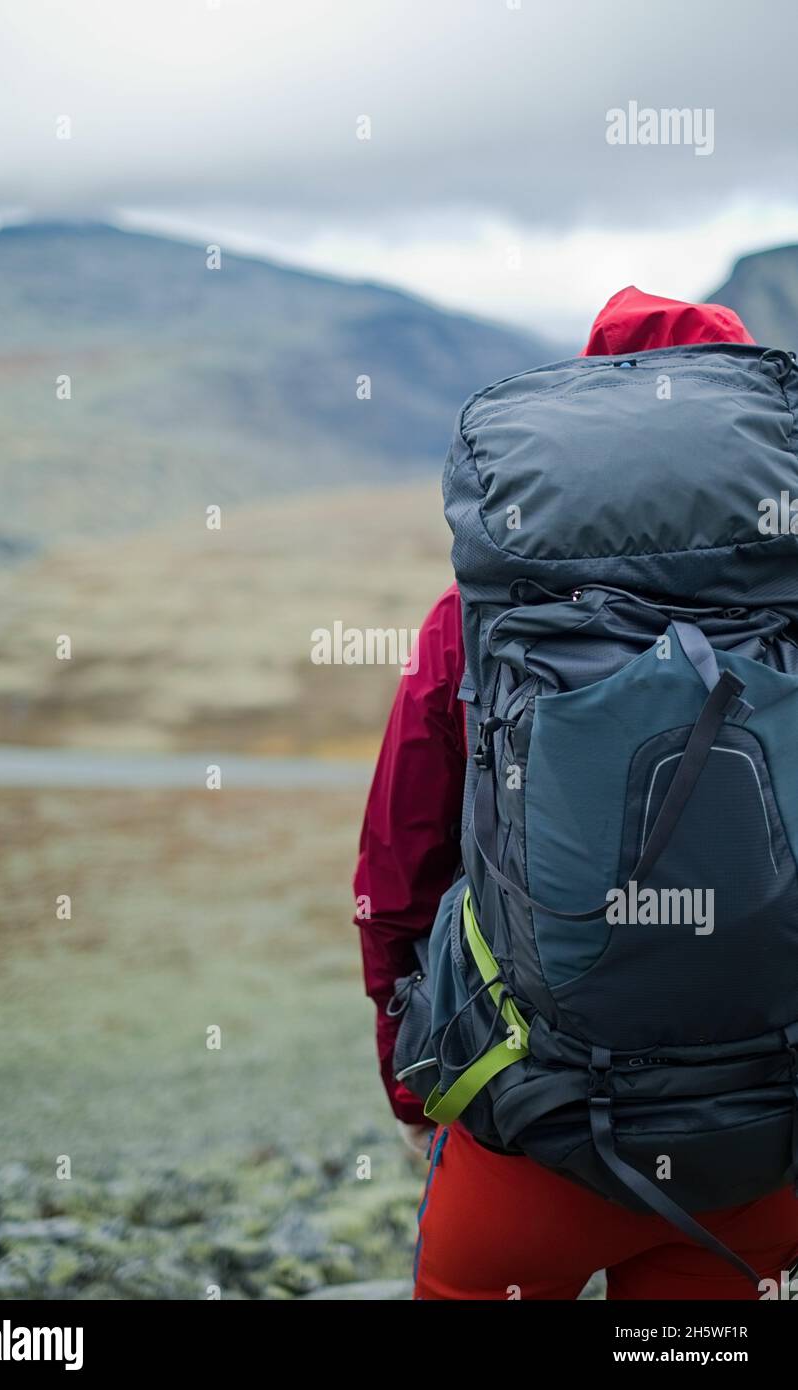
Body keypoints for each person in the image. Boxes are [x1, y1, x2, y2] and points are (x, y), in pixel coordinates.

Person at [353, 286, 798, 1300]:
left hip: (527, 1127)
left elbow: (395, 867)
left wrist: (407, 1071)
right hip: (758, 1141)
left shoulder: (467, 624)